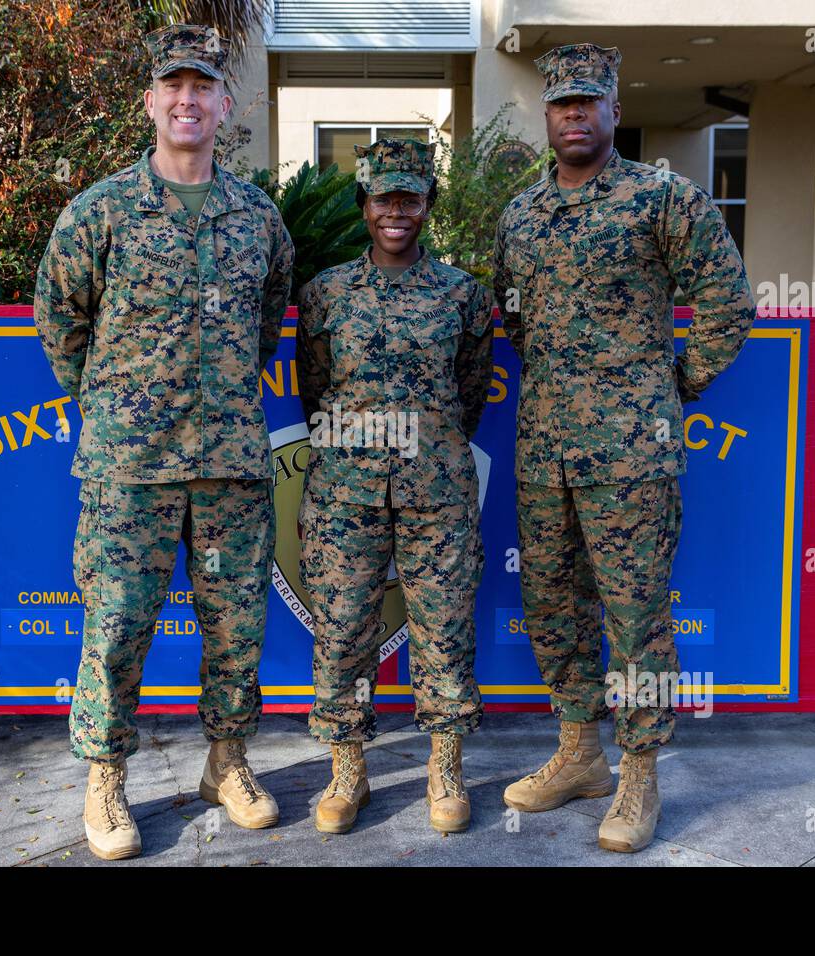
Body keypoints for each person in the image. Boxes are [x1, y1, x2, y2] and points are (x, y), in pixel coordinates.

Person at [33, 23, 294, 860]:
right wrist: (112, 405)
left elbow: (266, 323)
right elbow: (61, 321)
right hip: (131, 468)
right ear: (150, 102)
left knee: (235, 626)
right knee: (117, 625)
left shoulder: (257, 218)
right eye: (173, 86)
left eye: (202, 87)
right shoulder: (99, 211)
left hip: (229, 465)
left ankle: (228, 763)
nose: (188, 100)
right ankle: (106, 780)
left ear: (224, 104)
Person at [493, 43, 755, 852]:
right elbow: (514, 318)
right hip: (545, 453)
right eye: (561, 103)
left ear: (614, 108)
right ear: (547, 115)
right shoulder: (521, 214)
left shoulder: (662, 198)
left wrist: (668, 386)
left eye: (588, 101)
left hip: (631, 457)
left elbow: (726, 302)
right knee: (553, 606)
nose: (574, 114)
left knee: (635, 615)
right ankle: (579, 754)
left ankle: (639, 773)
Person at [295, 138, 495, 835]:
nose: (397, 212)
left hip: (437, 492)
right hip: (344, 493)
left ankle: (445, 769)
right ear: (364, 204)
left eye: (410, 198)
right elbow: (315, 388)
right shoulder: (324, 293)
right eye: (384, 198)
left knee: (444, 630)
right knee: (343, 630)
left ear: (428, 205)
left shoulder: (464, 295)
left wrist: (429, 443)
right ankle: (347, 771)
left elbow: (470, 392)